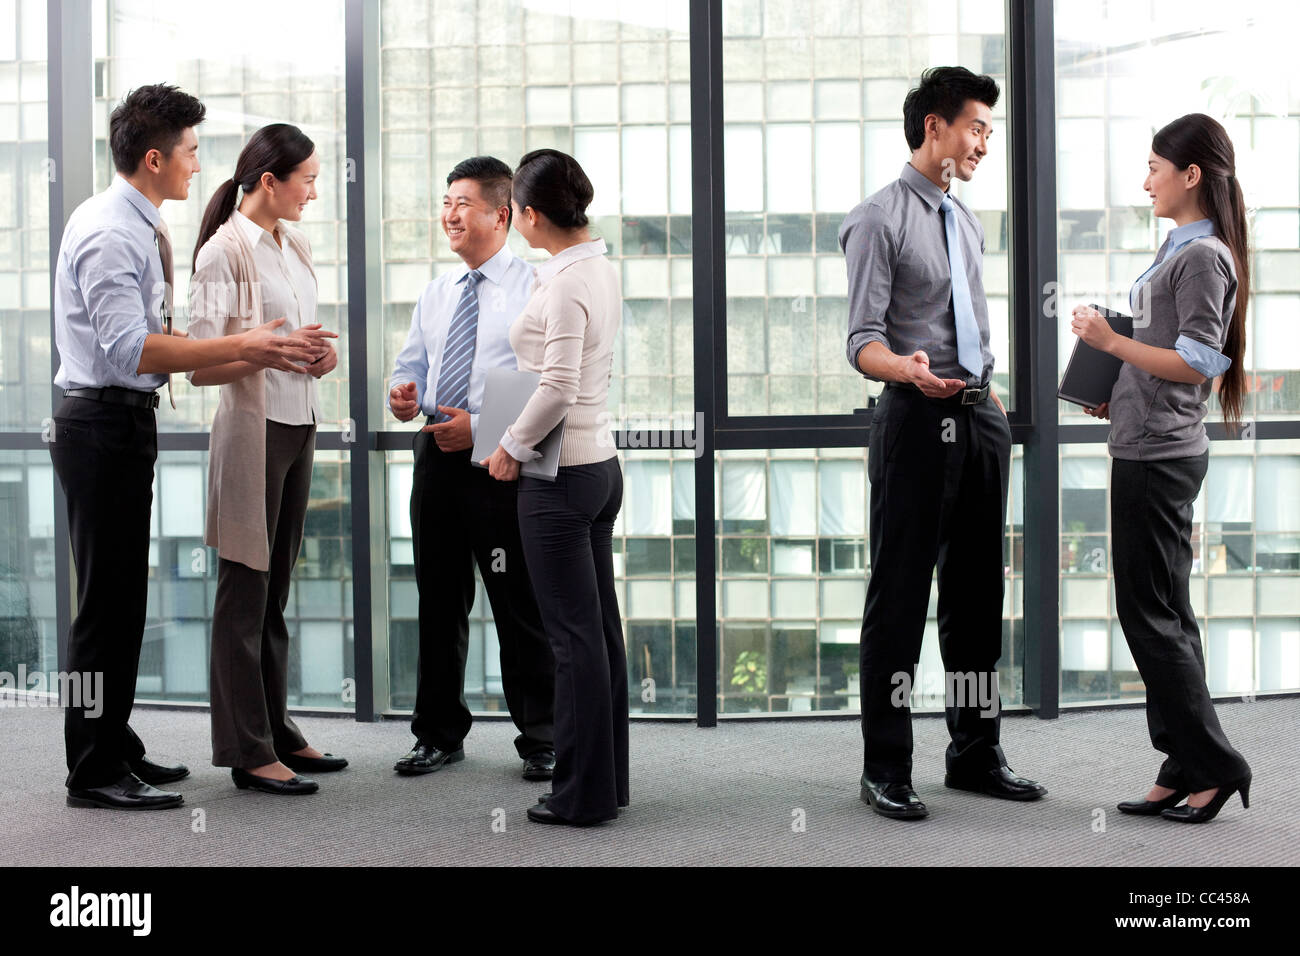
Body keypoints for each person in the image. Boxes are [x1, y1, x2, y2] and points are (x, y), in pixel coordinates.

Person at [51, 84, 332, 811]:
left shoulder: (137, 225)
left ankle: (114, 746)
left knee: (121, 601)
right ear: (154, 158)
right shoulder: (114, 232)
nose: (199, 166)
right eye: (191, 152)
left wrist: (274, 352)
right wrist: (246, 343)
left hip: (119, 422)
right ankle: (92, 768)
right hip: (99, 422)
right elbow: (129, 349)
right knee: (104, 608)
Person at [839, 66, 1046, 821]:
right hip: (913, 420)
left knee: (976, 596)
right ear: (935, 127)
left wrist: (982, 391)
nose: (986, 142)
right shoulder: (878, 218)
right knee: (898, 598)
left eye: (990, 129)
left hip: (978, 417)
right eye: (977, 126)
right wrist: (907, 370)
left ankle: (975, 752)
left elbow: (971, 326)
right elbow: (861, 340)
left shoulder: (967, 221)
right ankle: (886, 767)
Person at [1071, 113, 1252, 824]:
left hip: (1159, 456)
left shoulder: (1203, 256)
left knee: (1147, 614)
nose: (1145, 180)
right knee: (1166, 612)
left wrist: (1111, 342)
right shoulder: (1179, 248)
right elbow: (1166, 356)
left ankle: (1214, 762)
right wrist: (1116, 385)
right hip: (1146, 441)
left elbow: (1200, 359)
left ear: (1191, 175)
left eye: (1153, 167)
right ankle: (1183, 762)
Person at [187, 124, 346, 796]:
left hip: (298, 422)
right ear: (269, 180)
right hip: (252, 434)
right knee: (243, 594)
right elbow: (200, 366)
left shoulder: (294, 243)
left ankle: (276, 727)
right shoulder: (225, 253)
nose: (315, 190)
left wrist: (319, 357)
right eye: (306, 178)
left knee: (275, 590)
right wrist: (260, 349)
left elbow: (291, 343)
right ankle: (247, 749)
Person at [387, 157, 556, 782]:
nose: (449, 214)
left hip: (499, 464)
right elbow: (411, 369)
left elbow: (543, 381)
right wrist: (402, 396)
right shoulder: (437, 293)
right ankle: (436, 734)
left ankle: (542, 737)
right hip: (436, 462)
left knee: (518, 602)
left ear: (501, 214)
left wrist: (481, 432)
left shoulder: (534, 288)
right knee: (438, 599)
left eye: (462, 203)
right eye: (445, 201)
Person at [482, 149, 627, 827]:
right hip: (598, 469)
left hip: (561, 475)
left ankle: (579, 795)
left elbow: (559, 385)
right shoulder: (593, 267)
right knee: (596, 634)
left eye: (518, 211)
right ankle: (605, 782)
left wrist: (509, 448)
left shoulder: (567, 282)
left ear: (533, 216)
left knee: (571, 641)